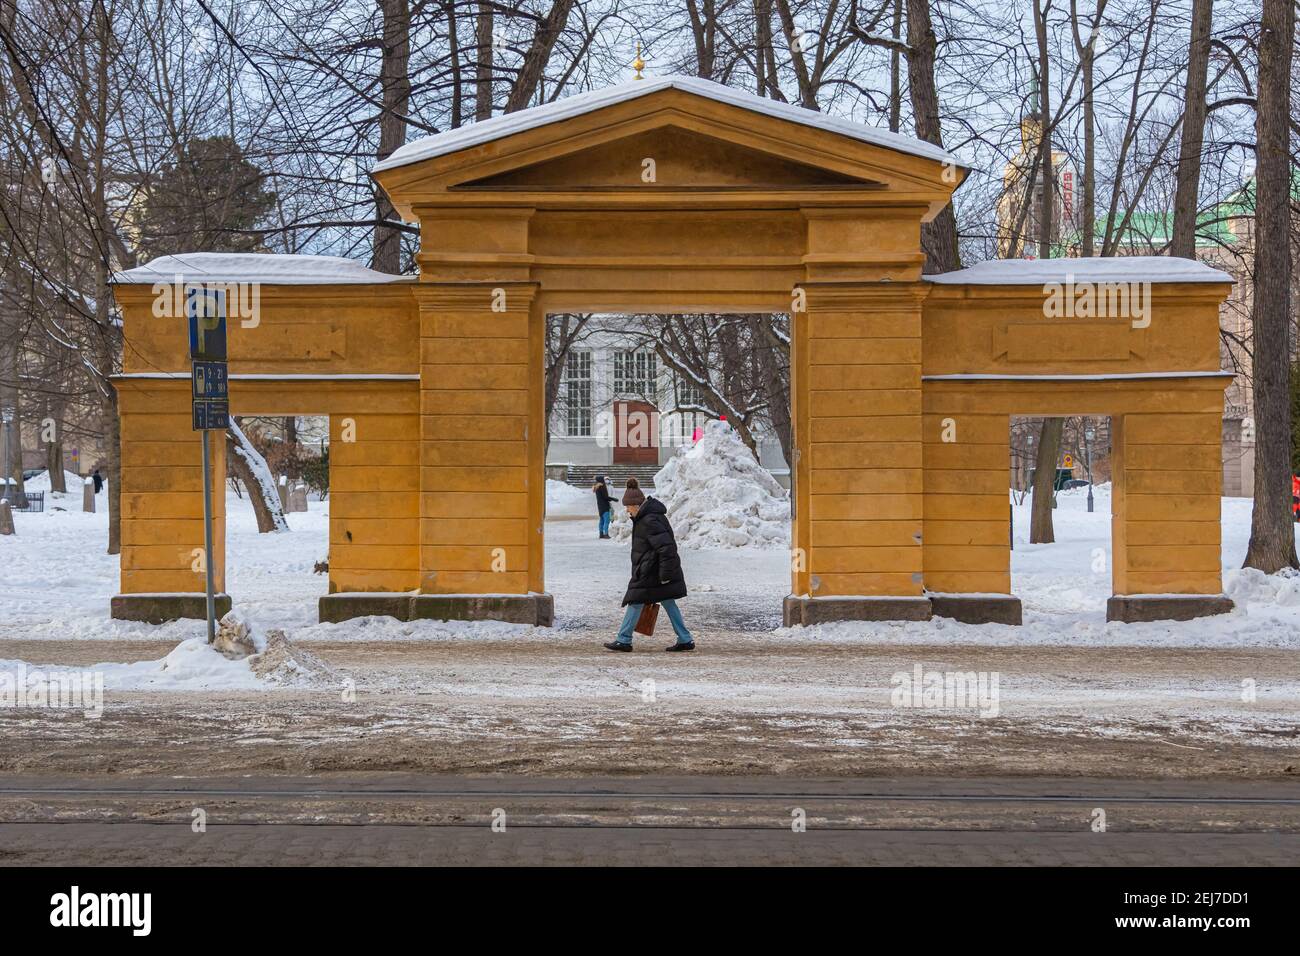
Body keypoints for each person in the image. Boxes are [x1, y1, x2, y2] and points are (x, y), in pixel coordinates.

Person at [603, 478, 695, 652]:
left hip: (653, 572)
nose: (627, 510)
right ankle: (685, 638)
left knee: (635, 600)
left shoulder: (649, 520)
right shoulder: (646, 518)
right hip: (653, 570)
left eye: (628, 506)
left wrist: (666, 575)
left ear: (636, 505)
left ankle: (624, 640)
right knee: (668, 602)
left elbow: (666, 548)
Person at [592, 475, 614, 539]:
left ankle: (601, 534)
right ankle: (606, 534)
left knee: (601, 520)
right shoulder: (602, 487)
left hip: (600, 507)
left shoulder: (597, 488)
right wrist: (613, 499)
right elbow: (605, 497)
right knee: (606, 521)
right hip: (605, 506)